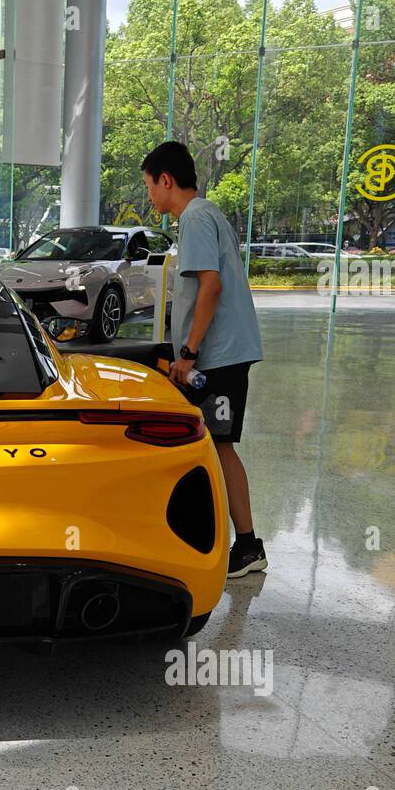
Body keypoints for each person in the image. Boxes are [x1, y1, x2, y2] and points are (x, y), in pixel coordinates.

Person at [141, 141, 266, 579]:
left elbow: (210, 287)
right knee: (216, 443)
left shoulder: (193, 217)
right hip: (225, 353)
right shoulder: (205, 213)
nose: (150, 196)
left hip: (219, 357)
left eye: (150, 186)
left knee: (220, 445)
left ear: (166, 180)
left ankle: (247, 546)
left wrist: (190, 352)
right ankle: (241, 543)